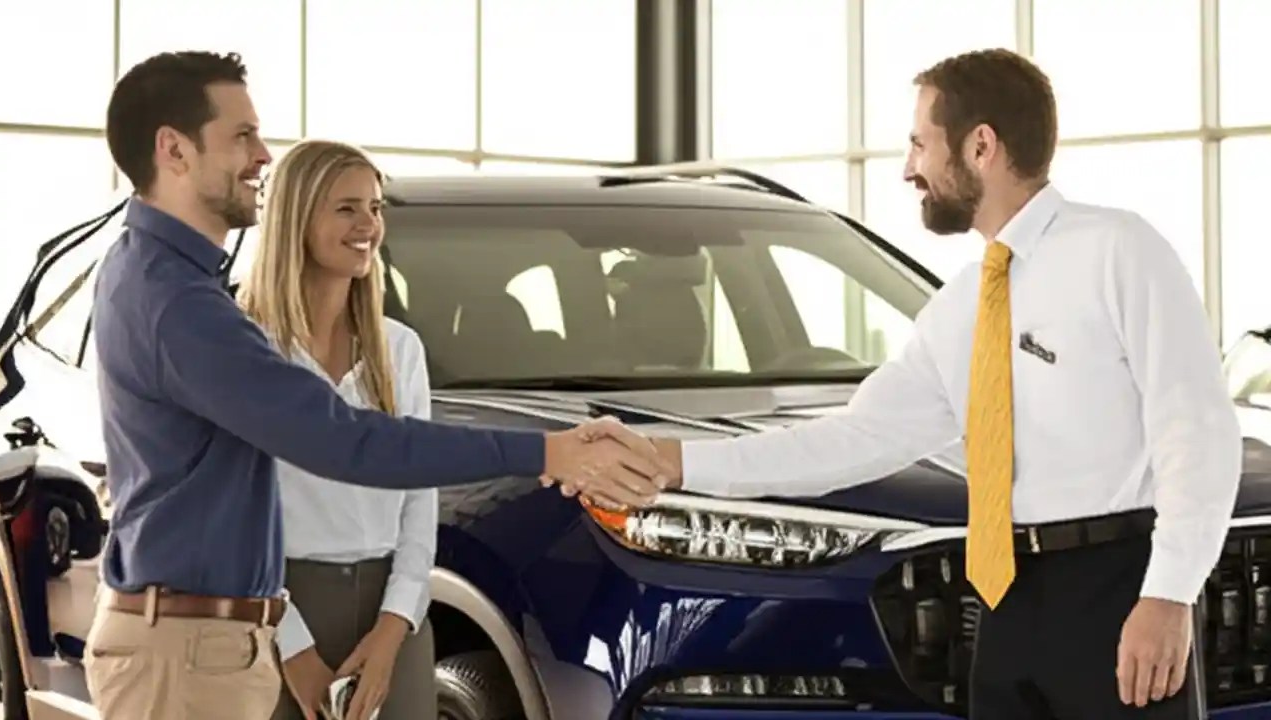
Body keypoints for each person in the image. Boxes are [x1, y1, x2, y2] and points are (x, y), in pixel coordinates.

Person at [612, 48, 1240, 719]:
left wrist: (1169, 595)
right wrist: (674, 464)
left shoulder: (1119, 250)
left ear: (980, 146)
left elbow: (1196, 431)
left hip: (1116, 591)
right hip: (1001, 603)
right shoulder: (964, 303)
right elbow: (850, 441)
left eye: (919, 144)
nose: (910, 168)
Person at [84, 50, 668, 720]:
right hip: (186, 650)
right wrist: (549, 453)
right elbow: (347, 443)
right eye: (242, 135)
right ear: (174, 150)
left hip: (201, 641)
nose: (263, 155)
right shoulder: (181, 304)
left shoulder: (160, 276)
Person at [232, 139, 438, 720]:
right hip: (272, 614)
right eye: (346, 208)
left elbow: (420, 502)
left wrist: (394, 627)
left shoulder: (401, 351)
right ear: (298, 217)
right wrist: (292, 645)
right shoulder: (246, 351)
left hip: (393, 615)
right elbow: (234, 512)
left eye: (374, 208)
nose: (367, 224)